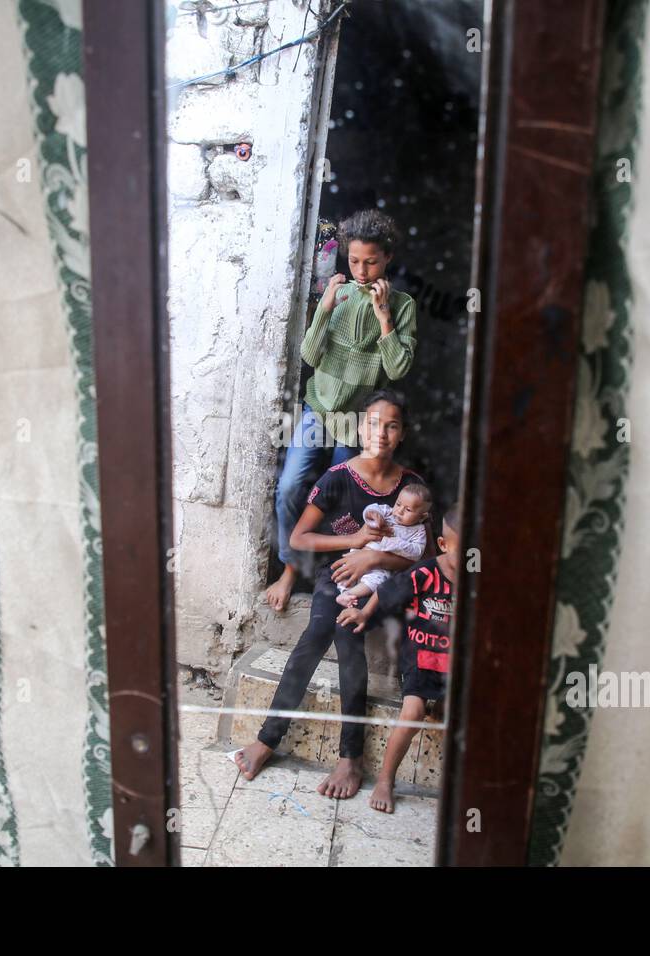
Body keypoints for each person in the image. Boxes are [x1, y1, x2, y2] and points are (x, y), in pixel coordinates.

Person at [235, 391, 425, 798]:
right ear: (359, 428)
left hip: (384, 586)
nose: (381, 433)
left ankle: (349, 758)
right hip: (335, 576)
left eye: (392, 425)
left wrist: (373, 557)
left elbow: (424, 557)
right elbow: (301, 536)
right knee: (316, 633)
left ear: (402, 433)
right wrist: (356, 540)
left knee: (346, 632)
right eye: (373, 423)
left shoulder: (411, 487)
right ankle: (268, 738)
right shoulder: (337, 477)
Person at [264, 209, 417, 612]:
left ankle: (336, 580)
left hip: (357, 424)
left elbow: (397, 369)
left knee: (347, 505)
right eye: (353, 261)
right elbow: (310, 355)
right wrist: (326, 307)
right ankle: (291, 569)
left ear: (386, 258)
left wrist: (384, 318)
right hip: (319, 410)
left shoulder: (402, 305)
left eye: (370, 261)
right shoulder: (341, 294)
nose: (361, 270)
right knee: (291, 488)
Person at [337, 501, 460, 813]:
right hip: (421, 656)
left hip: (455, 663)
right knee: (412, 713)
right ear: (443, 545)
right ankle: (385, 779)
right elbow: (387, 590)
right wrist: (364, 613)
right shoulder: (424, 573)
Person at [335, 483, 432, 608]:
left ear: (422, 516)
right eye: (398, 504)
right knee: (345, 571)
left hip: (381, 567)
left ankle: (348, 594)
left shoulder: (418, 531)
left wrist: (393, 543)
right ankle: (343, 590)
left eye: (408, 510)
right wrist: (373, 515)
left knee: (377, 581)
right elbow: (372, 508)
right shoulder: (388, 512)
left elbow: (417, 552)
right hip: (359, 553)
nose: (400, 511)